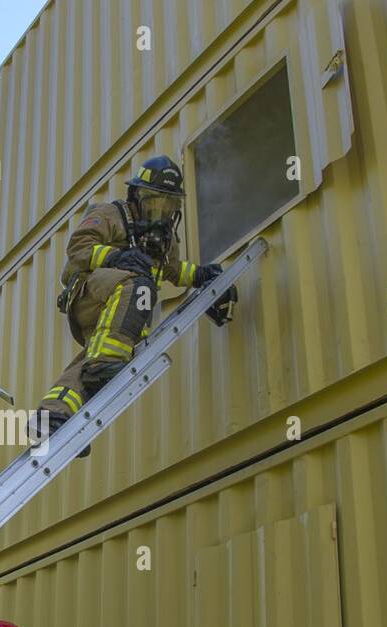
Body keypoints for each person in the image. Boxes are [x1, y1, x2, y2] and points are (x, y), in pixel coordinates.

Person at [30, 154, 237, 451]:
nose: (159, 212)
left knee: (88, 363)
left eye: (168, 205)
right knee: (136, 289)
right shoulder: (110, 214)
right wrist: (115, 256)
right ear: (135, 195)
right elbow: (79, 248)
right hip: (89, 294)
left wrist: (203, 274)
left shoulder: (165, 239)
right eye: (153, 201)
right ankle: (107, 363)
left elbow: (173, 270)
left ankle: (51, 416)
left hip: (122, 310)